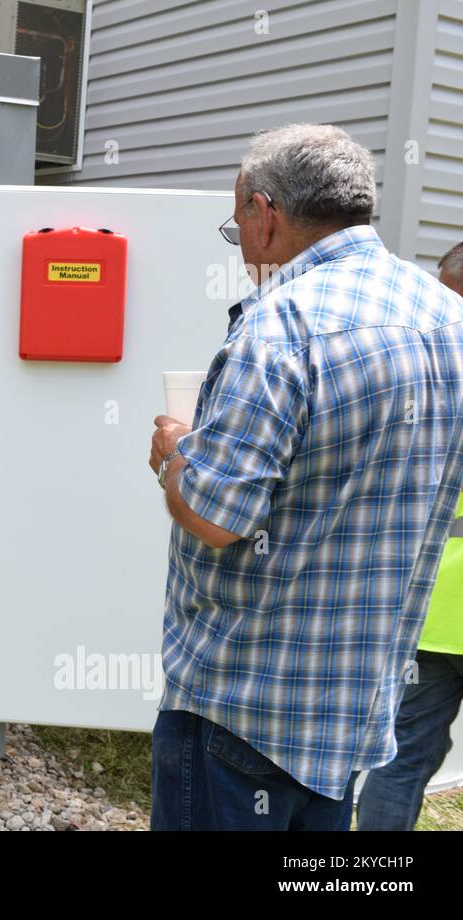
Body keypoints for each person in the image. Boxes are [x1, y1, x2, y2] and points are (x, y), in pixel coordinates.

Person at [147, 124, 463, 831]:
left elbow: (217, 515)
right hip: (353, 710)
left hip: (242, 710)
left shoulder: (280, 326)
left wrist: (178, 452)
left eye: (238, 228)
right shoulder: (449, 319)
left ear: (266, 214)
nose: (244, 246)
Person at [356, 242, 463, 830]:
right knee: (403, 758)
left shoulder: (418, 369)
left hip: (432, 612)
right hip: (432, 612)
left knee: (403, 759)